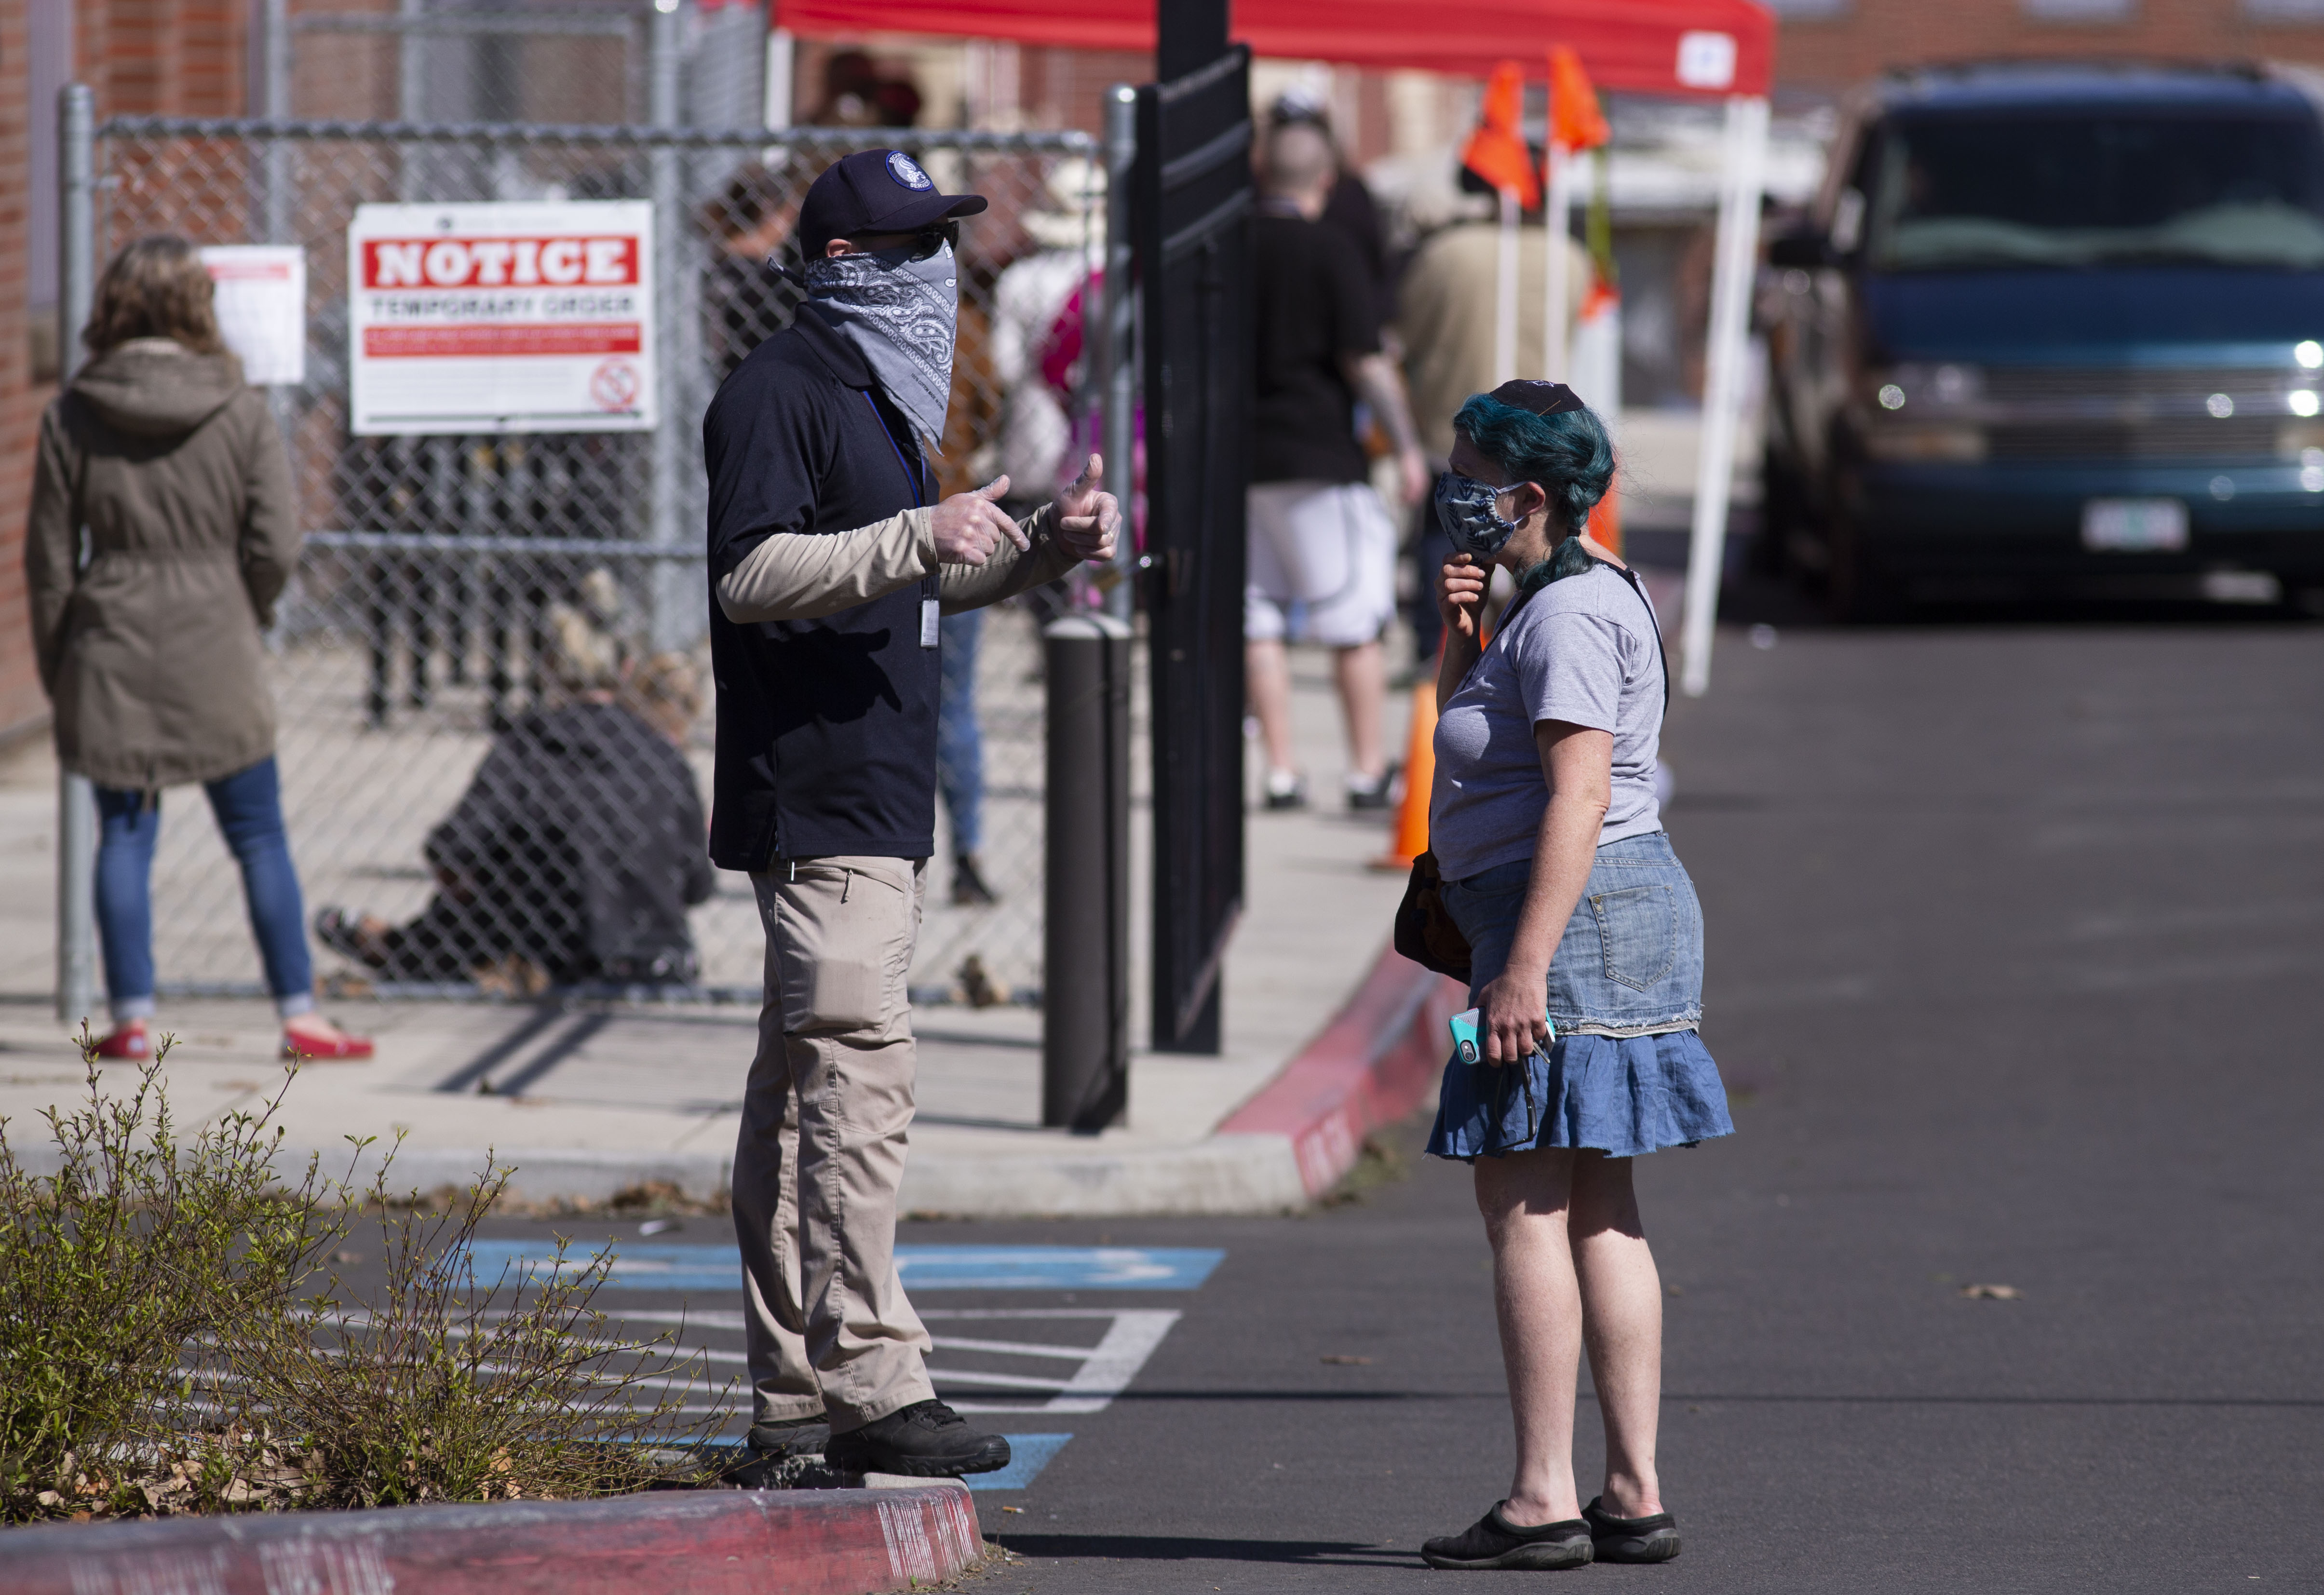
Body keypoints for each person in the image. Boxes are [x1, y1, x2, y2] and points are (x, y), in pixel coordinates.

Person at [702, 148, 1120, 1478]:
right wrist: (912, 538)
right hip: (816, 792)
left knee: (796, 1098)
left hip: (873, 789)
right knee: (856, 1082)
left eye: (946, 241)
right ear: (840, 266)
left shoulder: (880, 401)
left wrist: (1035, 549)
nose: (939, 270)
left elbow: (908, 582)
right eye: (911, 245)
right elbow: (750, 572)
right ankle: (875, 1380)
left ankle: (785, 1392)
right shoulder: (779, 392)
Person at [1417, 380, 1731, 1571]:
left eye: (1467, 476)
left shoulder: (1564, 621)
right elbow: (1485, 751)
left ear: (1528, 496)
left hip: (1575, 919)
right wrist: (1460, 637)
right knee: (1598, 1200)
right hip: (1607, 910)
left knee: (1524, 1202)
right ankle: (1629, 1490)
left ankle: (1543, 1494)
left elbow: (1580, 792)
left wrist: (1522, 972)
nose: (1452, 496)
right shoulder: (1562, 599)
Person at [25, 236, 372, 1064]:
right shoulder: (239, 407)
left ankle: (132, 1018)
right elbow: (278, 541)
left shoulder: (71, 413)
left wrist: (59, 662)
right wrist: (242, 608)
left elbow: (46, 558)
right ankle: (300, 1015)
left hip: (108, 639)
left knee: (124, 833)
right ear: (198, 308)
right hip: (217, 632)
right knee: (257, 833)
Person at [314, 601, 715, 993]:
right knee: (530, 857)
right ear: (627, 670)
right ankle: (407, 946)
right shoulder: (664, 755)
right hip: (663, 959)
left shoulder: (531, 743)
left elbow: (453, 846)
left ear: (548, 669)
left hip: (562, 956)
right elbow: (698, 885)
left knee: (507, 865)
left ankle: (407, 949)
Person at [1246, 120, 1428, 812]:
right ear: (1326, 181)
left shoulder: (1227, 247)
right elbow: (1365, 359)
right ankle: (1364, 771)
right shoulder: (1334, 248)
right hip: (1319, 455)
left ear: (1264, 173)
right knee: (1354, 619)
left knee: (1258, 619)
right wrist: (1407, 445)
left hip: (1242, 460)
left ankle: (1282, 773)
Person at [1396, 208, 1594, 664]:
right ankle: (1464, 642)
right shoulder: (1568, 255)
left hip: (1464, 420)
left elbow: (1407, 332)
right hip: (1545, 425)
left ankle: (1435, 648)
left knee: (1449, 532)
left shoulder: (1445, 254)